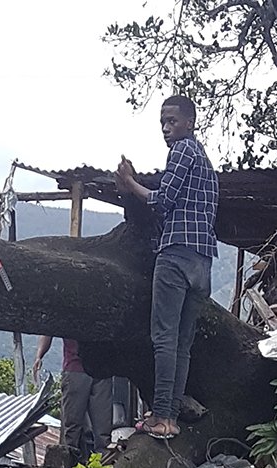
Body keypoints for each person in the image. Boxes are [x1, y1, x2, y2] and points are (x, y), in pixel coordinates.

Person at [115, 95, 218, 439]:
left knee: (164, 339)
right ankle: (171, 416)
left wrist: (130, 184)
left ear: (189, 122)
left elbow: (163, 200)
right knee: (182, 344)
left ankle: (161, 415)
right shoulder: (205, 161)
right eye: (163, 123)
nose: (166, 129)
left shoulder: (183, 151)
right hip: (203, 262)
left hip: (175, 257)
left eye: (172, 121)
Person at [33, 336, 113, 461]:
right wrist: (39, 355)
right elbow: (48, 330)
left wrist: (39, 355)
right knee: (72, 429)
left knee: (102, 431)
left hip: (101, 369)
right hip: (78, 368)